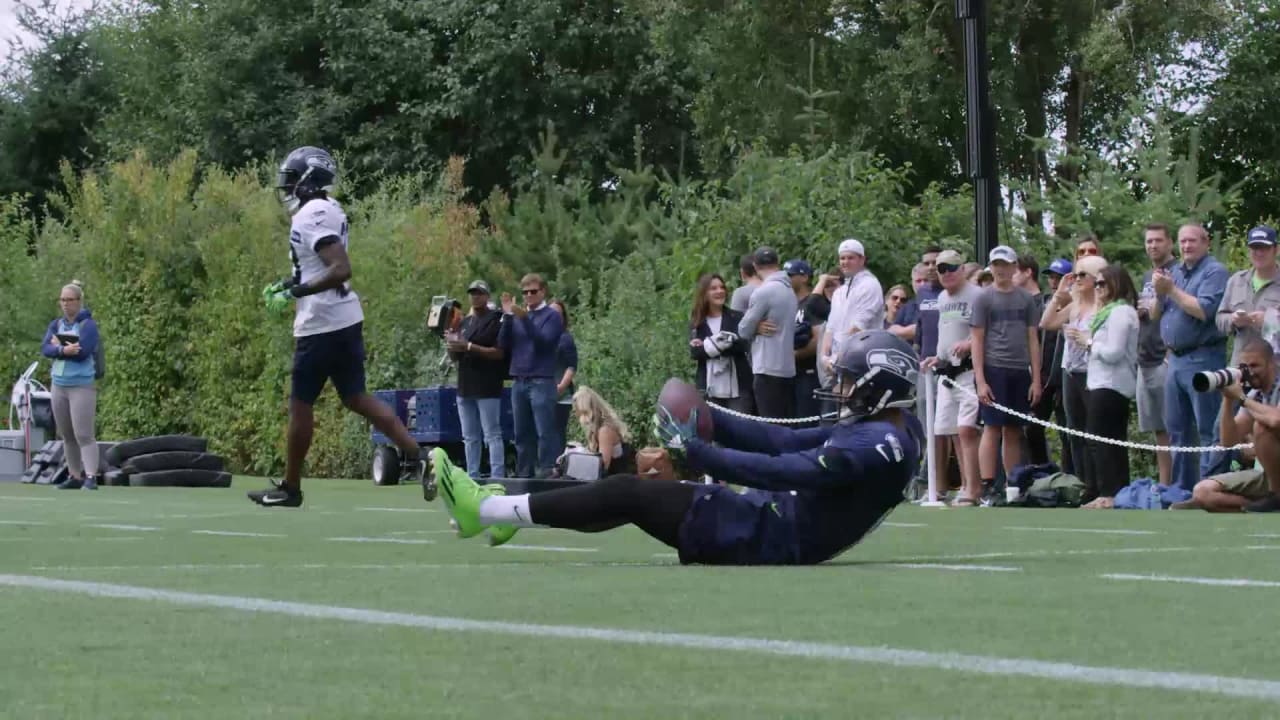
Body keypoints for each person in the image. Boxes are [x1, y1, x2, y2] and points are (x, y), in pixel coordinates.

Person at [426, 330, 923, 565]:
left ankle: (486, 508)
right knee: (635, 500)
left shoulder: (876, 444)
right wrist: (714, 418)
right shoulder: (893, 429)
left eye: (853, 381)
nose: (842, 389)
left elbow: (787, 469)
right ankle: (508, 513)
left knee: (630, 493)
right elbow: (784, 437)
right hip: (772, 523)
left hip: (764, 532)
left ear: (881, 386)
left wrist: (699, 452)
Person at [251, 146, 426, 508]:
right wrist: (290, 283)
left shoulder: (311, 214)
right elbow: (319, 266)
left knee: (300, 405)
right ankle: (420, 457)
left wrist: (298, 290)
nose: (286, 187)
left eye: (291, 179)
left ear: (307, 179)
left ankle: (291, 488)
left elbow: (340, 269)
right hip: (344, 318)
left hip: (321, 325)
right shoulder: (327, 208)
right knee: (356, 398)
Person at [1153, 223, 1229, 492]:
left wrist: (1171, 289)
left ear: (1206, 242)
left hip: (1204, 357)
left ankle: (1211, 487)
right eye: (1183, 242)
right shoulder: (1174, 272)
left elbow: (1203, 311)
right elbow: (1156, 314)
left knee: (1209, 428)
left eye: (1192, 241)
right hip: (1174, 359)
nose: (1187, 246)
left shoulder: (1215, 272)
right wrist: (1156, 294)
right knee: (1177, 430)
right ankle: (1182, 489)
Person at [1173, 339, 1280, 512]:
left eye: (1255, 366)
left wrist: (1243, 400)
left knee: (1262, 428)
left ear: (1272, 363)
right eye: (1245, 368)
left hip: (1275, 479)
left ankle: (1276, 497)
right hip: (1268, 475)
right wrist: (1228, 400)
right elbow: (1228, 442)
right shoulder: (1255, 395)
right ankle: (1255, 506)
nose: (1250, 372)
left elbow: (1276, 420)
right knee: (1203, 491)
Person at [971, 245, 1041, 503]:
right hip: (993, 368)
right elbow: (976, 339)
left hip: (1019, 369)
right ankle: (988, 485)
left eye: (1005, 264)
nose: (1000, 269)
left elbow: (1033, 339)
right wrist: (980, 380)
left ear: (1014, 267)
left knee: (1013, 429)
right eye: (996, 265)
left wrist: (1036, 378)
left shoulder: (1025, 299)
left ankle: (1012, 485)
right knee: (992, 427)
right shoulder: (983, 298)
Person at [1078, 265, 1140, 509]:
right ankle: (1113, 491)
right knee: (1107, 439)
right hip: (1100, 381)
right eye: (1097, 284)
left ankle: (1109, 492)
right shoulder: (1106, 313)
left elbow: (1114, 352)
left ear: (1117, 284)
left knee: (1101, 439)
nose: (1098, 289)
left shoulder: (1121, 312)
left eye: (1102, 284)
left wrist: (1089, 342)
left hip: (1112, 384)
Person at [40, 281, 101, 490]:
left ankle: (91, 476)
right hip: (59, 385)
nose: (66, 304)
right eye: (63, 300)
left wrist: (60, 346)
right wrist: (62, 350)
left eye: (70, 300)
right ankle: (75, 475)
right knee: (66, 434)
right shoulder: (56, 324)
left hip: (81, 385)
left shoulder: (88, 325)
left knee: (83, 433)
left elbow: (83, 351)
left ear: (79, 301)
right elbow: (46, 348)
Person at [446, 280, 507, 479]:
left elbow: (499, 353)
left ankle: (497, 475)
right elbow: (456, 357)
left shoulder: (496, 319)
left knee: (492, 434)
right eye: (472, 293)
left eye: (479, 293)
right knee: (470, 437)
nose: (475, 297)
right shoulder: (464, 323)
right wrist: (451, 345)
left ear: (487, 296)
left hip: (487, 386)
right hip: (465, 386)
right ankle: (473, 475)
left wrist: (469, 346)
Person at [689, 273, 754, 413]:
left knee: (740, 429)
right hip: (709, 389)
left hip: (739, 386)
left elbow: (743, 345)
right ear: (704, 293)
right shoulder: (697, 321)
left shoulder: (737, 317)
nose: (720, 291)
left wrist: (709, 345)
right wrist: (724, 341)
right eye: (714, 288)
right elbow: (695, 352)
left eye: (722, 287)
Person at [571, 387, 635, 475]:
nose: (576, 415)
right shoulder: (600, 429)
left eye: (577, 411)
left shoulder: (605, 431)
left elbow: (602, 467)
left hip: (615, 482)